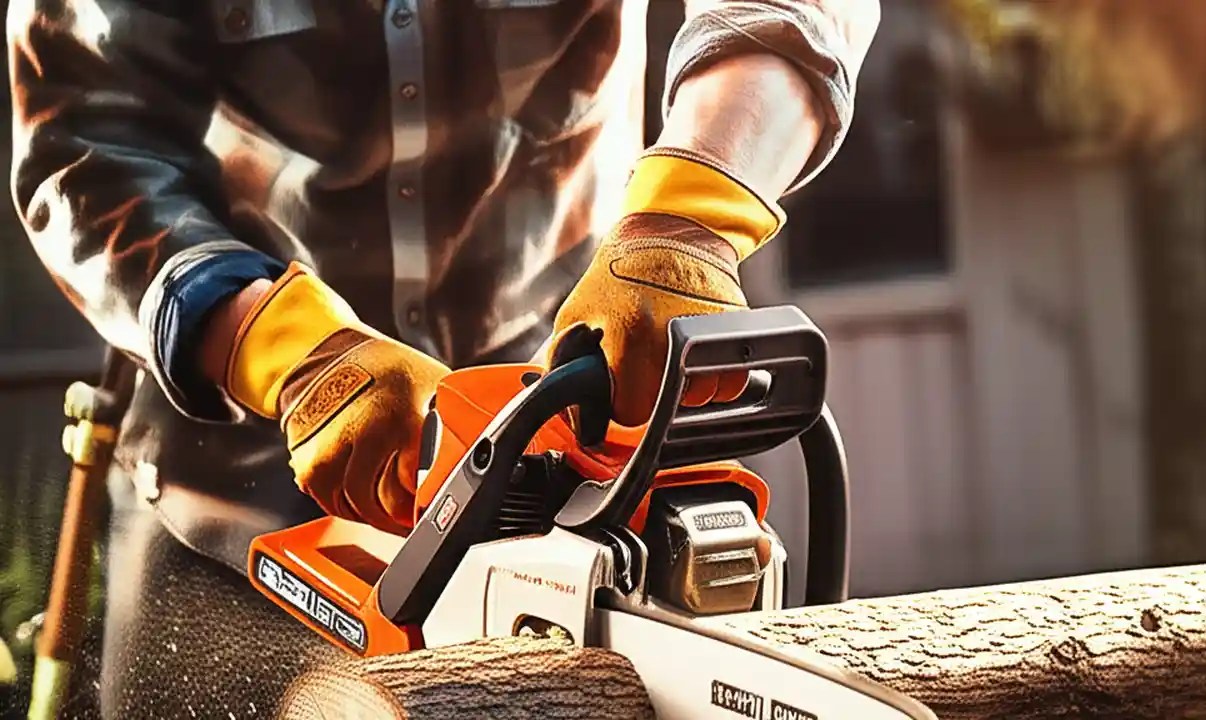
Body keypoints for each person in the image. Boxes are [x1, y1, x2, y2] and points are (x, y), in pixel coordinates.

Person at [7, 0, 879, 715]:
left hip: (560, 456)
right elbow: (86, 148)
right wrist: (278, 346)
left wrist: (691, 211)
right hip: (225, 486)